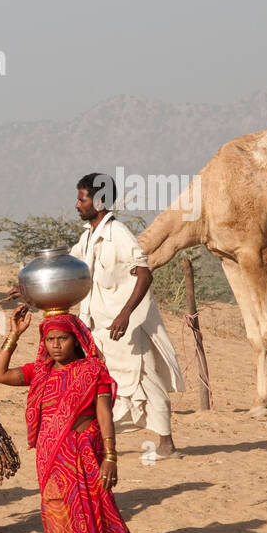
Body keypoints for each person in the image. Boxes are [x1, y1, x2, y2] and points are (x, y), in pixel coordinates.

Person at [0, 305, 139, 533]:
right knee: (61, 527)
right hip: (51, 461)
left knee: (95, 521)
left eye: (62, 339)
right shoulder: (40, 373)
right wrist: (14, 335)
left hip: (84, 456)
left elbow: (103, 414)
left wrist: (111, 456)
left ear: (76, 340)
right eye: (50, 340)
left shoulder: (92, 371)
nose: (55, 345)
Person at [68, 173, 183, 457]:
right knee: (103, 381)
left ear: (99, 201)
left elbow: (144, 275)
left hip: (126, 326)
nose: (77, 205)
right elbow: (67, 267)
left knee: (144, 377)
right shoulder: (88, 238)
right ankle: (100, 439)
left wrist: (125, 315)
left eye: (82, 199)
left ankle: (166, 443)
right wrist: (26, 286)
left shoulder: (118, 234)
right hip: (97, 326)